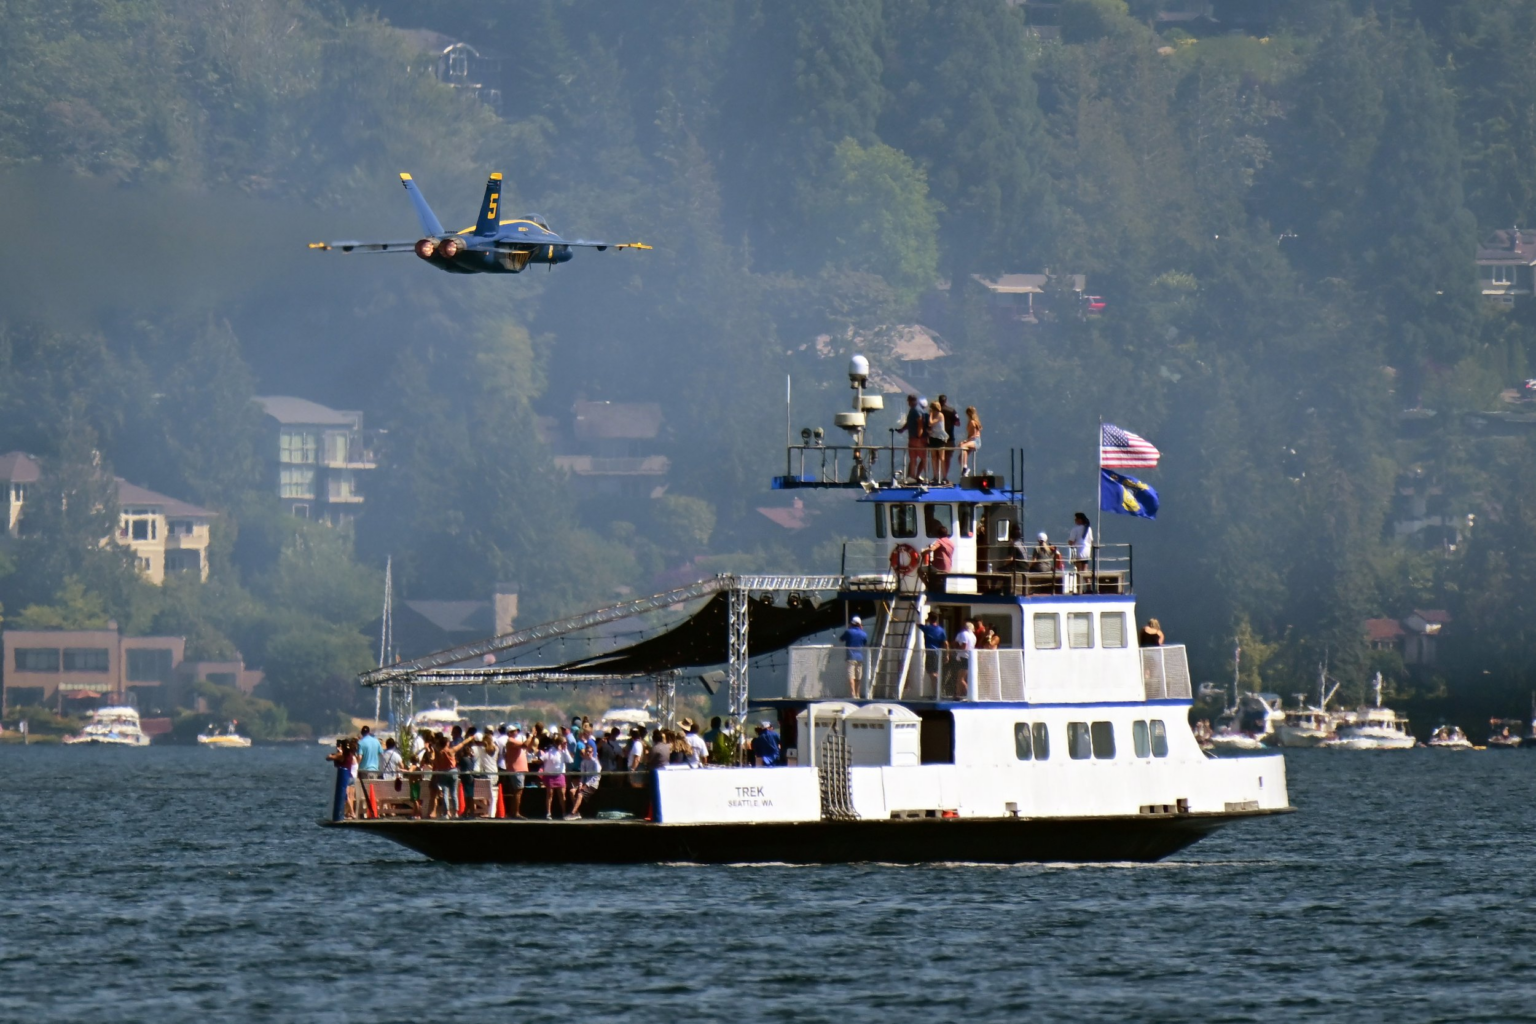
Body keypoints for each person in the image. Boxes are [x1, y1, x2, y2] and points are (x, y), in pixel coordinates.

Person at [896, 394, 927, 482]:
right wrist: (902, 429)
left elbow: (920, 423)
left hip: (917, 438)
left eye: (908, 401)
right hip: (913, 437)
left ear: (911, 401)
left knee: (923, 457)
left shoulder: (916, 410)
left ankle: (918, 475)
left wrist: (919, 436)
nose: (908, 403)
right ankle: (912, 476)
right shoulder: (913, 410)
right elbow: (909, 423)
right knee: (913, 458)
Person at [567, 742, 601, 819]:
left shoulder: (595, 762)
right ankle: (577, 812)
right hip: (585, 783)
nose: (588, 753)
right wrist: (580, 784)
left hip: (593, 784)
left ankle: (573, 813)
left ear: (592, 752)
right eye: (587, 751)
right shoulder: (583, 762)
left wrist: (587, 785)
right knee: (572, 791)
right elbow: (582, 776)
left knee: (580, 794)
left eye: (590, 752)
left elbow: (596, 776)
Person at [541, 735, 571, 819]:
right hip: (550, 775)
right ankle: (548, 813)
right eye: (563, 743)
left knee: (562, 794)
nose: (564, 744)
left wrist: (565, 750)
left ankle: (564, 812)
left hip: (560, 774)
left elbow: (569, 760)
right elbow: (543, 758)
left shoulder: (564, 751)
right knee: (550, 794)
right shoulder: (551, 751)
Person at [839, 615, 870, 698]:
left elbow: (841, 639)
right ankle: (857, 694)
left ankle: (853, 694)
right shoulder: (863, 634)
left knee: (851, 676)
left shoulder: (848, 632)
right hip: (859, 657)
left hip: (850, 656)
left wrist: (849, 628)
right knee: (858, 677)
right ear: (860, 624)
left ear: (852, 624)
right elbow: (864, 643)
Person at [918, 611, 947, 696]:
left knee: (932, 674)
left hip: (930, 652)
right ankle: (937, 693)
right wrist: (947, 654)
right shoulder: (941, 630)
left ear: (929, 618)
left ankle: (937, 693)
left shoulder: (927, 628)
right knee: (935, 672)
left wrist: (926, 620)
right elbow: (946, 643)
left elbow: (918, 624)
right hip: (937, 653)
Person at [937, 395, 961, 482]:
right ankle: (944, 477)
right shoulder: (952, 411)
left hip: (936, 438)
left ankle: (936, 477)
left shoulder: (934, 411)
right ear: (946, 401)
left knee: (936, 457)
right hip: (949, 438)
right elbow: (958, 423)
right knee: (947, 458)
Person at [926, 396, 950, 482]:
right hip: (933, 437)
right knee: (934, 457)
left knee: (941, 457)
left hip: (940, 438)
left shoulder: (940, 415)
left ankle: (944, 476)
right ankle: (935, 476)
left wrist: (931, 415)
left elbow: (931, 423)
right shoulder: (933, 415)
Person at [952, 620, 976, 698]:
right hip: (969, 657)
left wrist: (955, 648)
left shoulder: (964, 634)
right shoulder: (973, 636)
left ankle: (969, 693)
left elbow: (964, 646)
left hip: (964, 657)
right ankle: (958, 694)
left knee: (960, 678)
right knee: (963, 677)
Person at [958, 406, 982, 476]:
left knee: (963, 446)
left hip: (976, 441)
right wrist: (966, 441)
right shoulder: (971, 421)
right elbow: (969, 435)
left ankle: (965, 467)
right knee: (960, 457)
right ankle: (964, 470)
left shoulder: (972, 422)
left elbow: (974, 435)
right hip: (971, 440)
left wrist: (965, 442)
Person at [1069, 512, 1093, 576]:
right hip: (1087, 553)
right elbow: (1091, 540)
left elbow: (1071, 541)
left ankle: (1079, 585)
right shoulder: (1088, 529)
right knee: (1085, 571)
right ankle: (1089, 585)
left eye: (1076, 519)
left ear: (1080, 520)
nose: (1075, 520)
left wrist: (1070, 544)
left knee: (1079, 571)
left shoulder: (1075, 529)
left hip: (1079, 552)